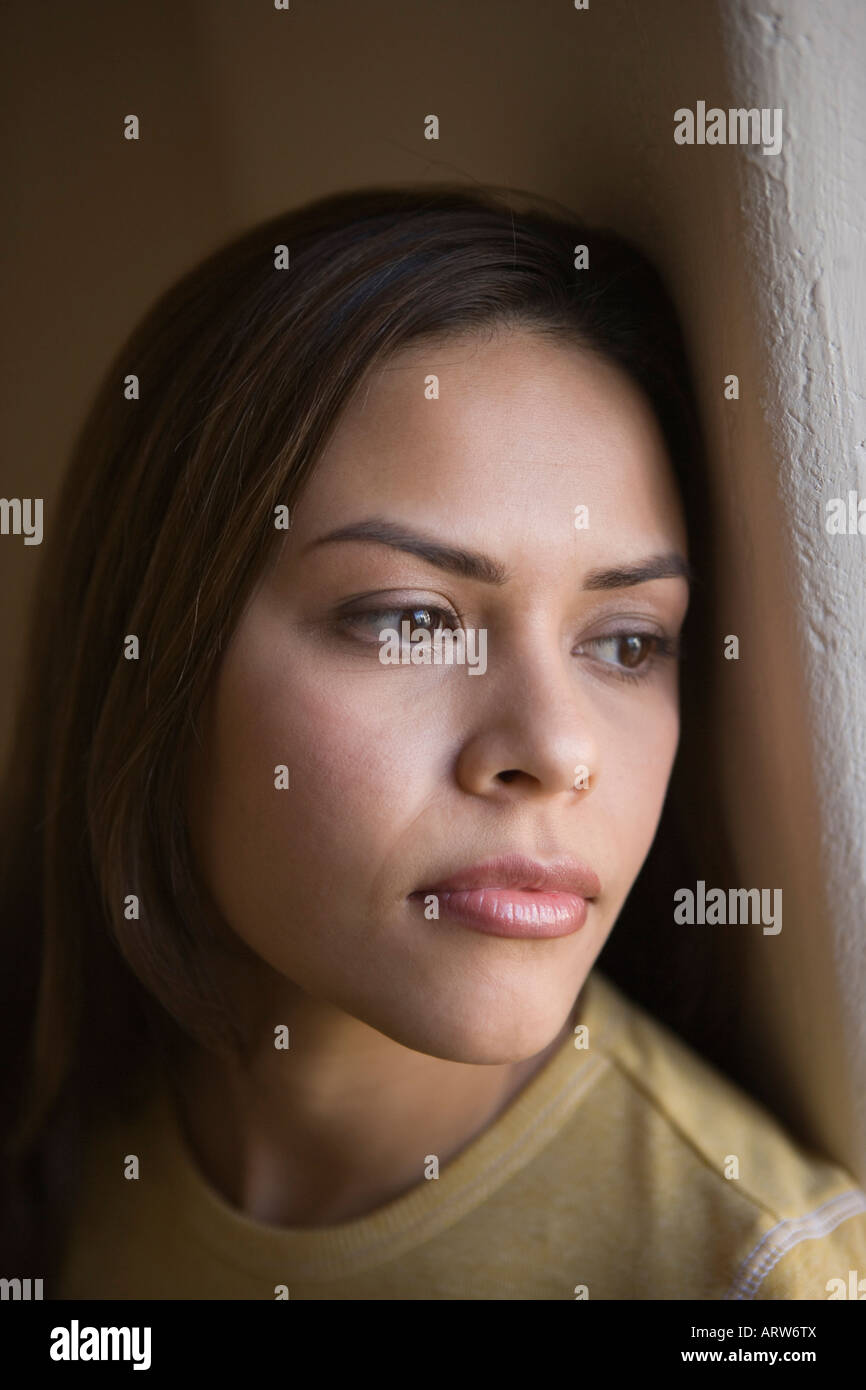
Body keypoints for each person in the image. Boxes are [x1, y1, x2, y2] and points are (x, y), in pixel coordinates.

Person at [2, 184, 864, 1299]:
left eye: (624, 641)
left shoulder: (752, 1287)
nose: (554, 748)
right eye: (409, 619)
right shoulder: (62, 1150)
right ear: (154, 656)